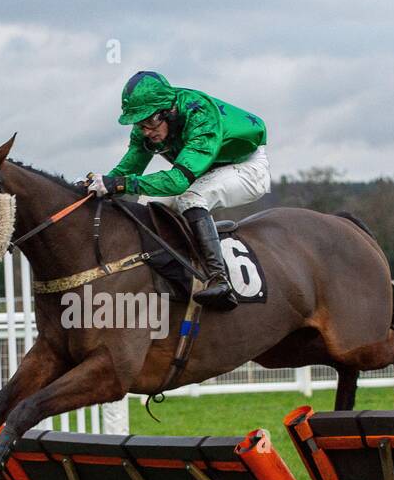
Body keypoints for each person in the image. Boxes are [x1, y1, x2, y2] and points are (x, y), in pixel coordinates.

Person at [85, 71, 269, 310]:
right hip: (203, 170)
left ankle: (219, 279)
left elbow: (179, 181)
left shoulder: (200, 116)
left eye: (150, 121)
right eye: (139, 124)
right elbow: (127, 170)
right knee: (146, 206)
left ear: (168, 111)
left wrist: (120, 184)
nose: (146, 131)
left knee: (191, 199)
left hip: (246, 167)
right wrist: (97, 186)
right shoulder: (147, 125)